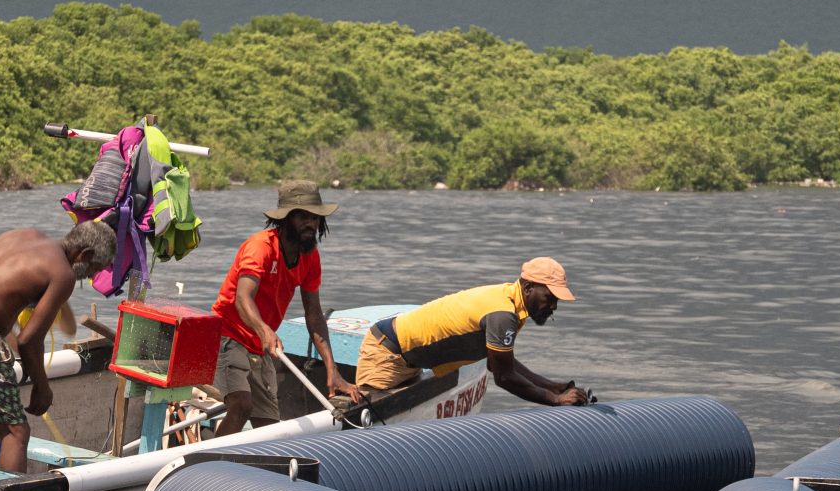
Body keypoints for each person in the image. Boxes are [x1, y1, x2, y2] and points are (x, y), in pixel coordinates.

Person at [0, 218, 118, 471]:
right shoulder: (63, 274)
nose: (91, 277)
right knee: (15, 431)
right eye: (96, 269)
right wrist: (42, 388)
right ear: (84, 254)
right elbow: (29, 340)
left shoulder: (25, 234)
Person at [211, 180, 358, 435]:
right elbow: (242, 298)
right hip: (228, 336)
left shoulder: (310, 257)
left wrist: (332, 370)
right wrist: (264, 330)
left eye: (315, 217)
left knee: (269, 428)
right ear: (286, 219)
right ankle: (204, 465)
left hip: (260, 345)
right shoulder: (261, 247)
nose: (310, 223)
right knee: (242, 406)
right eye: (302, 216)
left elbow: (314, 314)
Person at [354, 257, 593, 408]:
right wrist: (556, 400)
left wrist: (553, 386)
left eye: (556, 301)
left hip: (407, 358)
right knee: (370, 421)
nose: (553, 306)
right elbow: (503, 376)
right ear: (528, 287)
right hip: (387, 354)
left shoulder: (510, 303)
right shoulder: (503, 314)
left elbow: (500, 362)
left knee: (400, 414)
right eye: (549, 298)